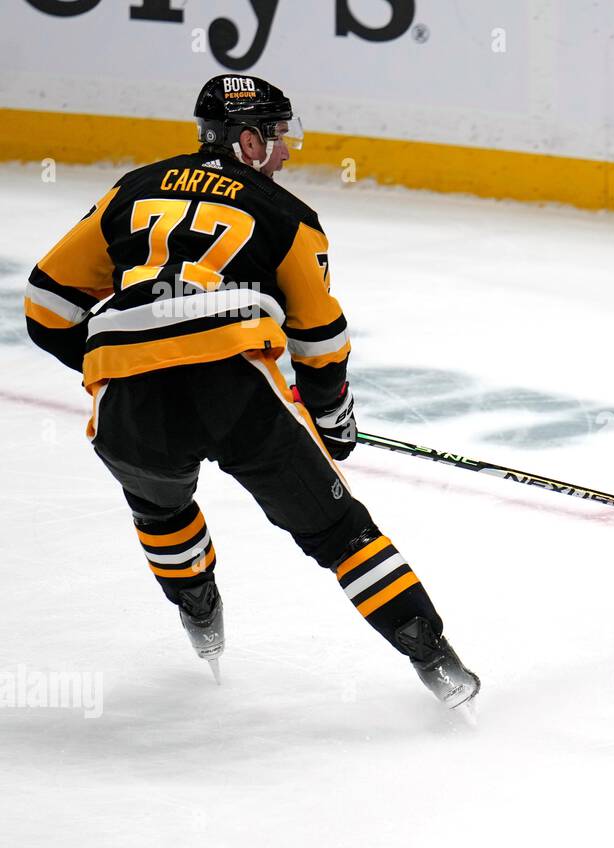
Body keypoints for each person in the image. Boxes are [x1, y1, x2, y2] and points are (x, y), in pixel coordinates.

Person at [24, 73, 478, 708]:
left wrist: (119, 364)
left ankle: (200, 619)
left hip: (126, 398)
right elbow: (319, 338)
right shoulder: (287, 214)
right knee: (342, 535)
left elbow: (45, 307)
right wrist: (332, 417)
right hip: (233, 382)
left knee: (162, 511)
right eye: (278, 136)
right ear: (246, 141)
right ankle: (443, 671)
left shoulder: (129, 190)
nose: (288, 151)